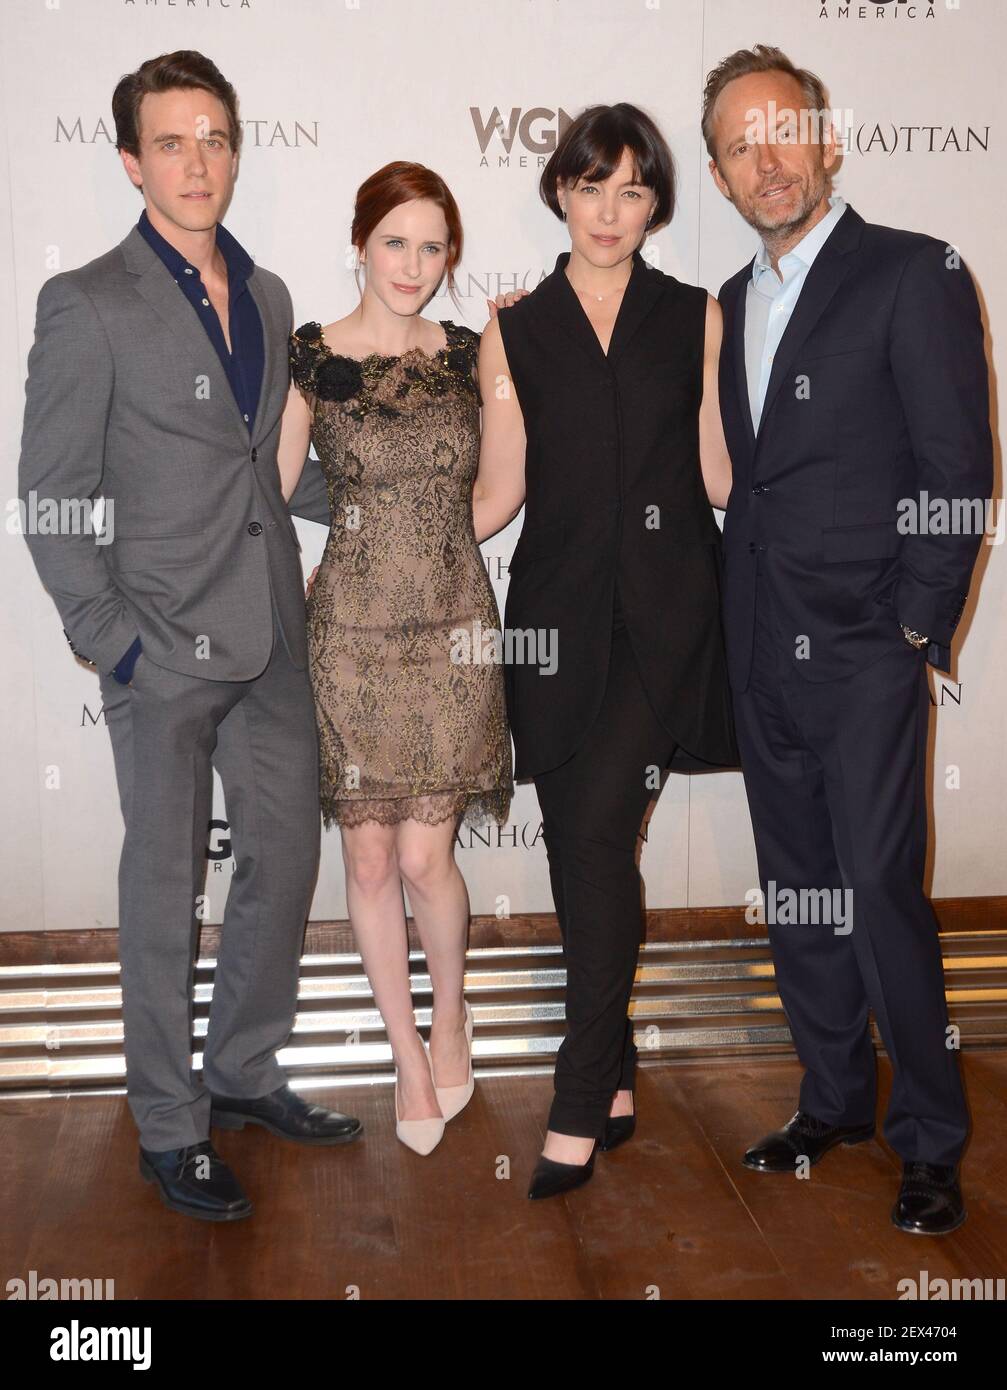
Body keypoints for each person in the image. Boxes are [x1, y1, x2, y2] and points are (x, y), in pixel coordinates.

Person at [17, 50, 361, 1224]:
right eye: (171, 141)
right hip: (159, 649)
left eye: (212, 136)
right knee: (166, 890)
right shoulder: (87, 301)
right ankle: (169, 1122)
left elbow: (271, 469)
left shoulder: (265, 297)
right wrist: (111, 642)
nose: (197, 158)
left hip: (269, 631)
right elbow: (52, 492)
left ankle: (245, 1072)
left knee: (284, 859)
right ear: (130, 162)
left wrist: (392, 484)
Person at [704, 45, 993, 1234]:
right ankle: (832, 1099)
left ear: (825, 138)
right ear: (719, 175)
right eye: (737, 144)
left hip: (868, 652)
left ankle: (927, 1135)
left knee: (879, 894)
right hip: (761, 647)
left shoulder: (910, 270)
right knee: (801, 894)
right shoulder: (725, 304)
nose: (763, 159)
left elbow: (956, 469)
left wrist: (914, 623)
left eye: (781, 132)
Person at [476, 103, 739, 1200]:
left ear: (654, 206)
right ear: (558, 194)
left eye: (632, 190)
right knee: (580, 855)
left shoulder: (695, 316)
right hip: (552, 621)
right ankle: (620, 1068)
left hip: (663, 622)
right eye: (591, 186)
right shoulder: (513, 326)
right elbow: (497, 488)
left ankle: (578, 1097)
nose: (609, 210)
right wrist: (376, 540)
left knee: (588, 833)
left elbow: (721, 477)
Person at [278, 162, 514, 1156]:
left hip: (453, 625)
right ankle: (406, 1050)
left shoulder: (474, 351)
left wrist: (431, 552)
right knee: (369, 856)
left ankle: (451, 1012)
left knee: (427, 854)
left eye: (432, 246)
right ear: (359, 242)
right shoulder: (308, 355)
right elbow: (270, 489)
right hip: (348, 635)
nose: (413, 264)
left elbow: (500, 489)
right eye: (394, 242)